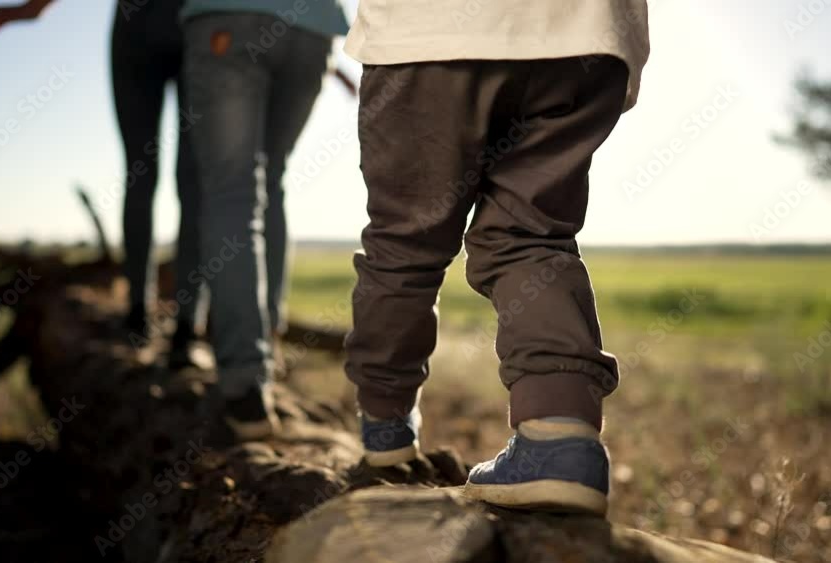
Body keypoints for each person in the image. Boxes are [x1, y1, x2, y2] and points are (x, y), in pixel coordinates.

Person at [342, 2, 650, 515]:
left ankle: (384, 425)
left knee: (405, 244)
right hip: (583, 35)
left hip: (428, 34)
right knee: (531, 235)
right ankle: (559, 437)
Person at [0, 0, 204, 367]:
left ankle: (184, 326)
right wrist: (34, 9)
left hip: (196, 22)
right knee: (153, 176)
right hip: (146, 26)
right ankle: (144, 314)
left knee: (188, 180)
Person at [178, 0, 348, 439]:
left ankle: (244, 386)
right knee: (269, 184)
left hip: (229, 18)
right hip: (314, 30)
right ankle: (263, 356)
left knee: (232, 192)